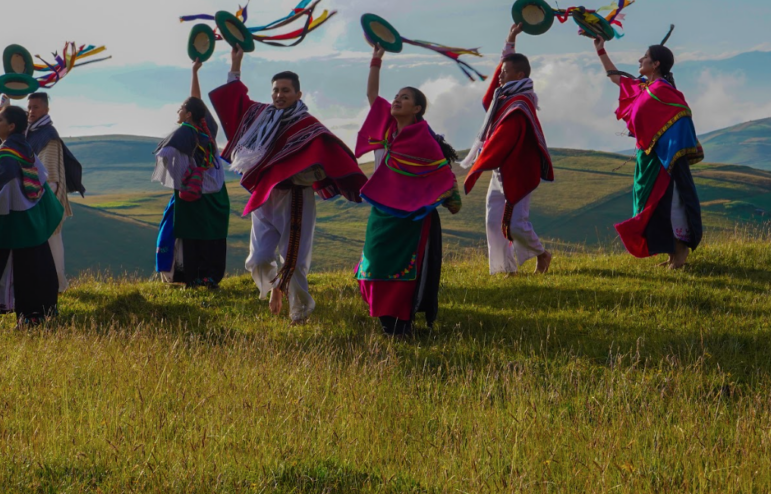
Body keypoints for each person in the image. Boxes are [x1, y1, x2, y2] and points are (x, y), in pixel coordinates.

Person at [207, 43, 366, 323]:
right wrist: (235, 65)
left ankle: (299, 315)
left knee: (294, 260)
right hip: (265, 196)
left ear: (298, 94)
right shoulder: (260, 117)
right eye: (276, 90)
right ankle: (275, 287)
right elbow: (235, 104)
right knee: (258, 259)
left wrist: (303, 172)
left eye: (285, 90)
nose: (279, 95)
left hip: (295, 198)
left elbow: (328, 156)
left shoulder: (307, 125)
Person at [354, 43, 461, 335]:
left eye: (405, 97)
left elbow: (441, 173)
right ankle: (388, 318)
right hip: (382, 213)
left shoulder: (424, 140)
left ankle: (400, 323)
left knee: (402, 268)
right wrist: (376, 60)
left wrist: (448, 195)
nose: (397, 100)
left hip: (411, 218)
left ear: (417, 109)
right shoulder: (387, 129)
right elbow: (372, 95)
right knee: (373, 264)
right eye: (397, 96)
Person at [593, 35, 704, 268]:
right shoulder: (644, 88)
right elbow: (615, 77)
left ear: (656, 64)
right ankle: (671, 254)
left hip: (665, 160)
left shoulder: (664, 91)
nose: (639, 59)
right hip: (647, 158)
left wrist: (672, 153)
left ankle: (680, 254)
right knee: (654, 208)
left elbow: (682, 116)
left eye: (645, 57)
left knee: (670, 204)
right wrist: (600, 50)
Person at [461, 23, 555, 275]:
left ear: (520, 75)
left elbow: (506, 135)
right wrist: (510, 41)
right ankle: (506, 270)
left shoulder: (521, 101)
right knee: (494, 221)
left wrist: (484, 159)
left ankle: (542, 254)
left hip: (519, 168)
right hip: (502, 167)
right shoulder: (504, 97)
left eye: (505, 72)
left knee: (516, 224)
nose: (500, 77)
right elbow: (493, 91)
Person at [0, 105, 66, 327]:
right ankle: (42, 312)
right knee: (38, 264)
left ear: (11, 126)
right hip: (32, 220)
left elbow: (8, 193)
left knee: (23, 270)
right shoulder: (25, 149)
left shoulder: (6, 156)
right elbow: (40, 179)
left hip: (18, 221)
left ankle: (28, 317)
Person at [153, 64, 231, 288]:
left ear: (188, 114)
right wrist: (194, 73)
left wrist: (181, 179)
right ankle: (211, 276)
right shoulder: (208, 130)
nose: (178, 111)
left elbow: (166, 154)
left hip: (193, 193)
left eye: (181, 108)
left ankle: (192, 276)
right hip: (217, 193)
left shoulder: (184, 132)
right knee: (213, 235)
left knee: (192, 236)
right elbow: (197, 102)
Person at [21, 91, 85, 291]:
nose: (31, 111)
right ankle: (50, 284)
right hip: (35, 198)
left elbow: (50, 177)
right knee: (44, 244)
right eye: (29, 107)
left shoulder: (48, 135)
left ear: (46, 109)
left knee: (52, 242)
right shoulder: (30, 133)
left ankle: (58, 285)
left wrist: (40, 203)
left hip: (47, 199)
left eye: (36, 107)